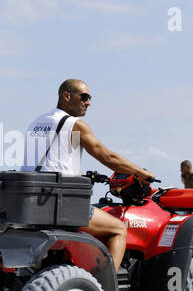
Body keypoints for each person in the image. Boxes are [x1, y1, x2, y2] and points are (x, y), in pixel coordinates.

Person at [23, 79, 155, 273]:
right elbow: (107, 157)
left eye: (89, 98)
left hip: (33, 200)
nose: (89, 102)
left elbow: (52, 159)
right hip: (61, 203)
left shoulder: (36, 123)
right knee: (118, 229)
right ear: (66, 96)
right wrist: (141, 173)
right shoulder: (74, 125)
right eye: (84, 97)